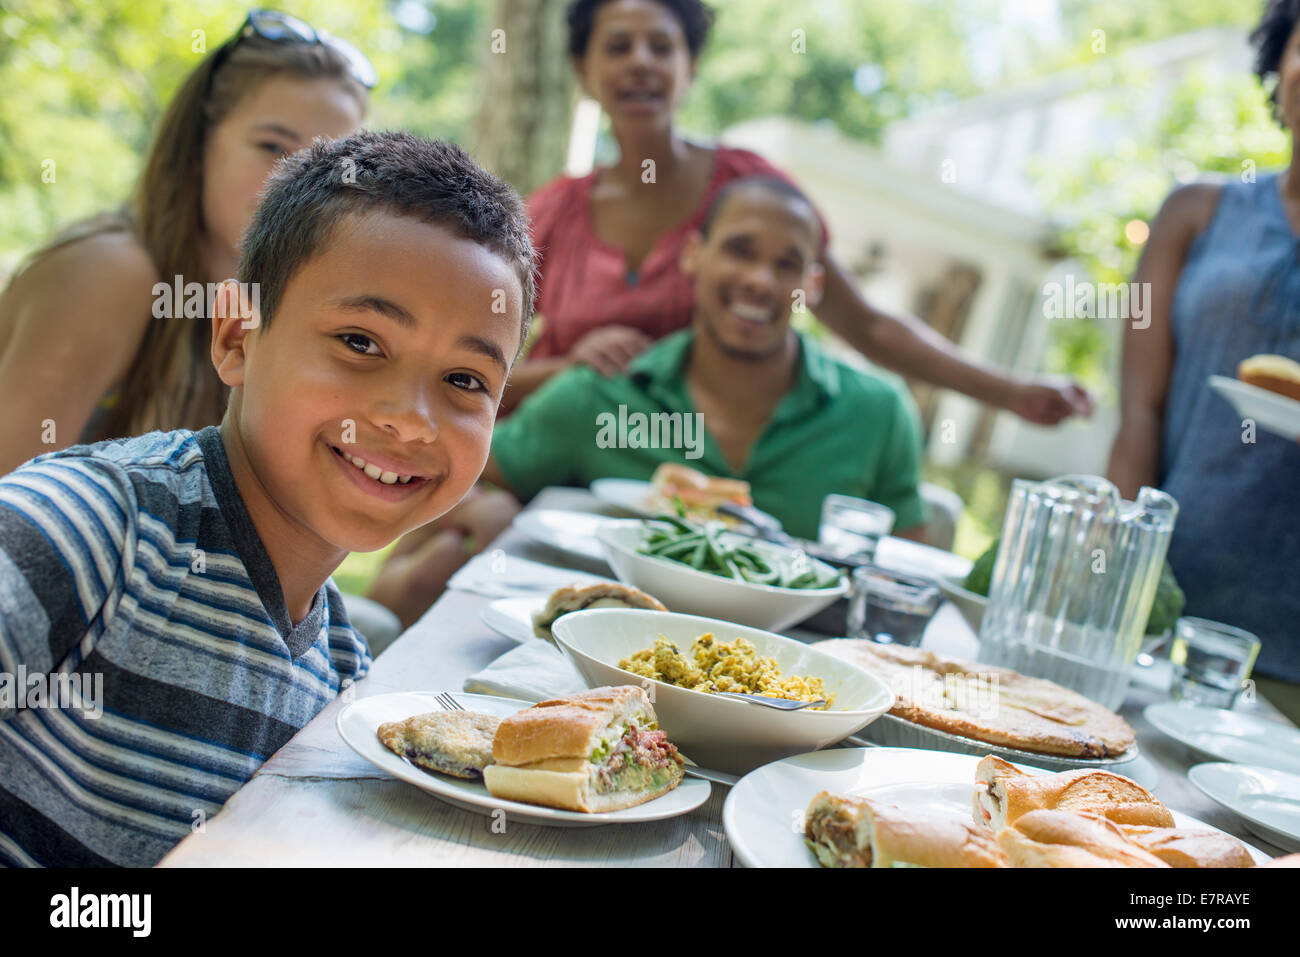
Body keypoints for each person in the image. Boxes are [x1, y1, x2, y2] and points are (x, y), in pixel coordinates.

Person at [0, 130, 535, 866]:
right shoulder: (92, 524)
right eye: (360, 341)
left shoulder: (342, 672)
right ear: (236, 336)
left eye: (465, 381)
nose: (410, 418)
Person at [505, 0, 1093, 428]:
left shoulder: (751, 191)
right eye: (617, 46)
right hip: (554, 455)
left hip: (694, 468)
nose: (640, 62)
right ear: (583, 72)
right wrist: (569, 368)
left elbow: (865, 325)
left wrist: (1011, 391)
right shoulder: (551, 216)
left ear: (691, 68)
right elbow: (478, 371)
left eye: (662, 46)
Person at [0, 10, 372, 474]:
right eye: (273, 147)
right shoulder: (110, 272)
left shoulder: (274, 307)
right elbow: (9, 505)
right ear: (197, 149)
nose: (299, 184)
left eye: (326, 166)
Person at [484, 176, 926, 542]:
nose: (759, 280)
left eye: (786, 264)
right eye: (740, 251)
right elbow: (472, 473)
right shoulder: (599, 392)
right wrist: (483, 512)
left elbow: (906, 575)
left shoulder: (880, 413)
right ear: (693, 255)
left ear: (810, 286)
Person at [1106, 0, 1300, 711]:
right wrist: (1115, 588)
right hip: (1162, 623)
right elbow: (1140, 414)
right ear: (1278, 62)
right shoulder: (1195, 211)